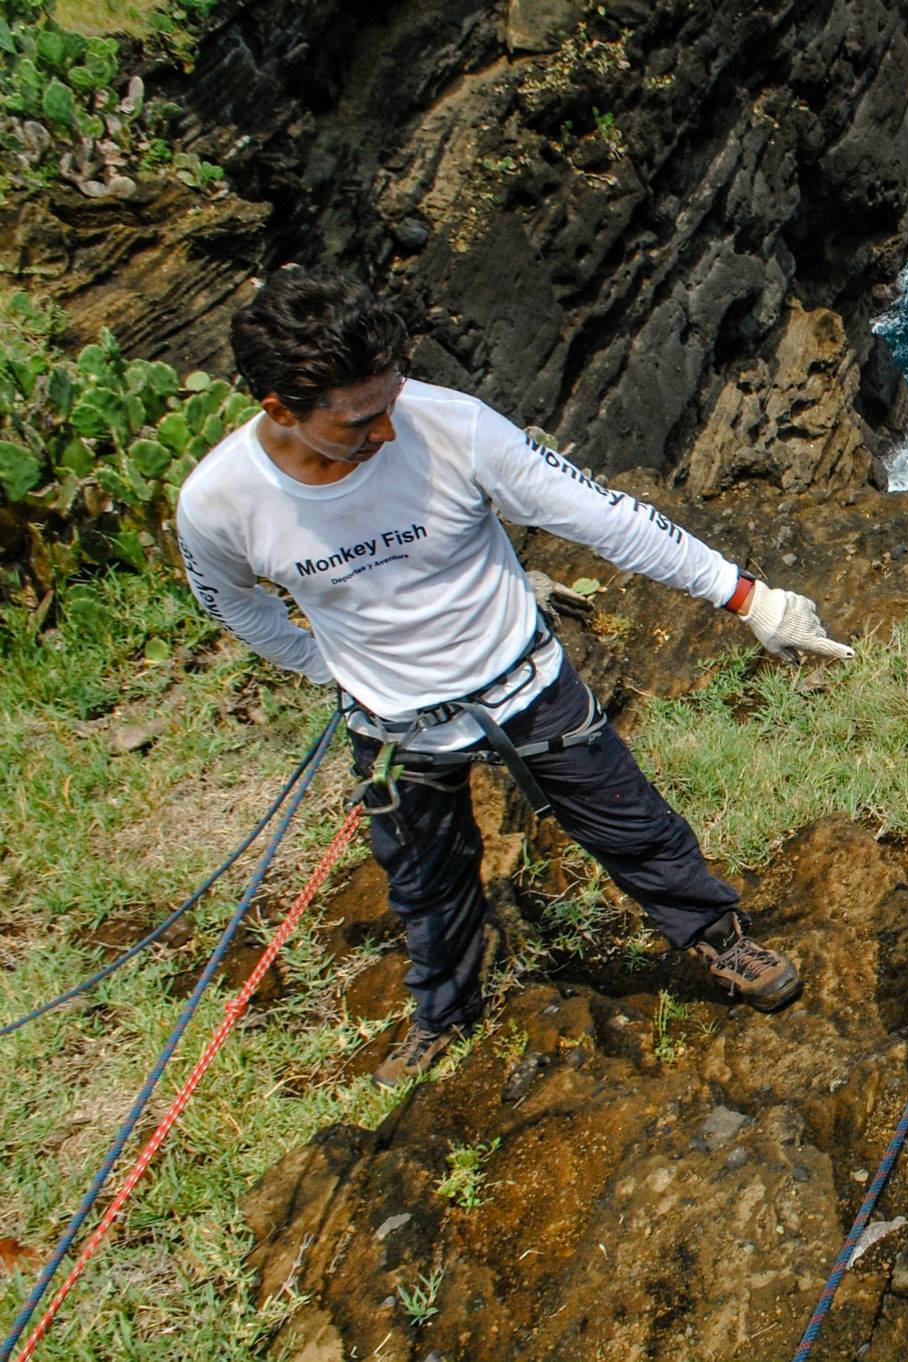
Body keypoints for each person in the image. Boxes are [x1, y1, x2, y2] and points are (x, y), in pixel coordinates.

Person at [176, 268, 854, 1086]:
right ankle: (443, 1014)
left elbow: (604, 516)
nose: (389, 430)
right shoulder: (220, 502)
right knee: (427, 881)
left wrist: (748, 597)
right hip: (393, 727)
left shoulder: (453, 427)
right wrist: (332, 669)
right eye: (359, 420)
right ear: (278, 409)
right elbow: (235, 607)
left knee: (634, 826)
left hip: (523, 684)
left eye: (392, 400)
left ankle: (719, 941)